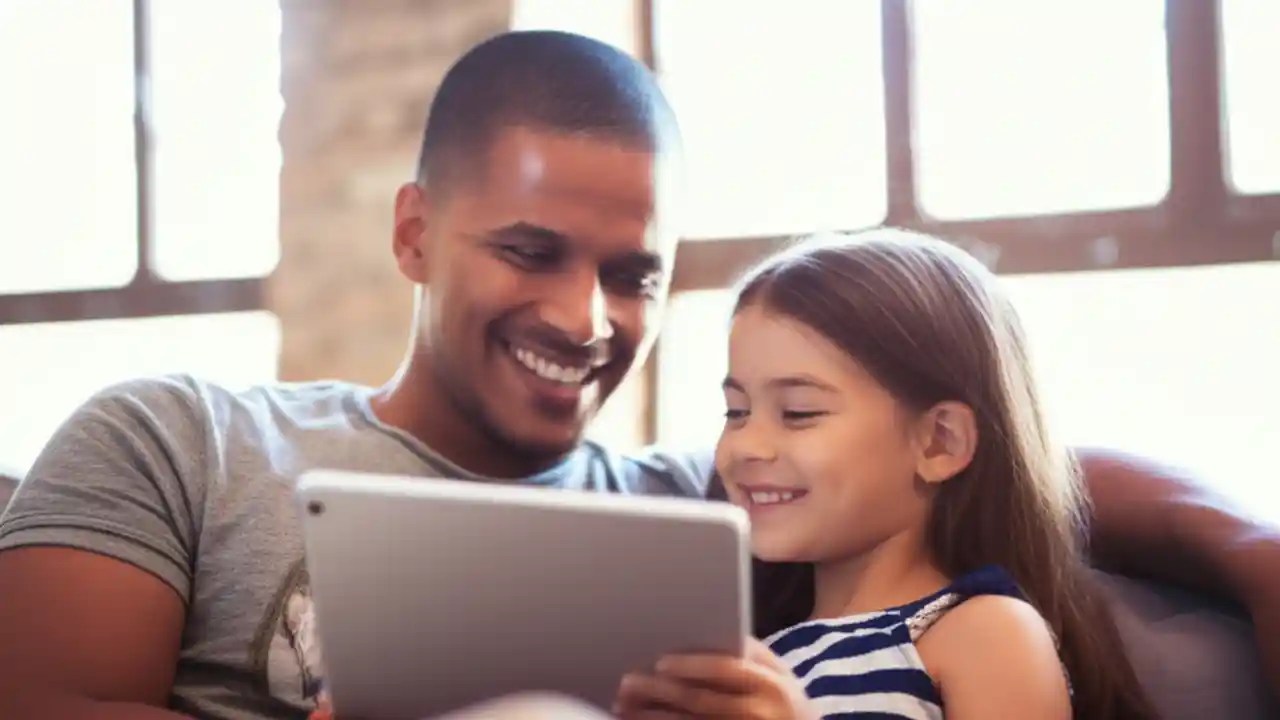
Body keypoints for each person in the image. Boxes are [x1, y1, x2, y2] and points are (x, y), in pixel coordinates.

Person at [0, 29, 1274, 720]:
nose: (586, 315)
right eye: (529, 252)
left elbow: (983, 452)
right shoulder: (179, 437)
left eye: (634, 273)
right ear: (412, 235)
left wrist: (1241, 543)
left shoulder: (710, 509)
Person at [613, 230, 1157, 719]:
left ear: (939, 442)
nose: (746, 446)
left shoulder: (983, 632)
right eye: (736, 411)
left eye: (799, 412)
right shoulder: (758, 653)